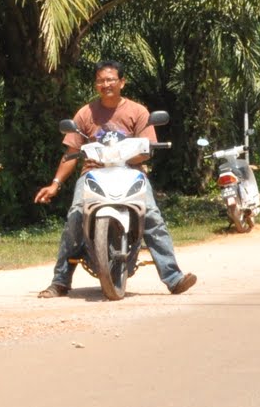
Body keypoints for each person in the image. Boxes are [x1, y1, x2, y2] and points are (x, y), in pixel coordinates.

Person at [32, 61, 198, 298]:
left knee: (151, 214)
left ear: (122, 82)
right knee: (76, 214)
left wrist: (130, 155)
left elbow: (147, 149)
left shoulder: (138, 112)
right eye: (101, 80)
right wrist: (55, 184)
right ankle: (60, 281)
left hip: (131, 172)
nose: (106, 84)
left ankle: (173, 277)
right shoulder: (85, 113)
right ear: (95, 84)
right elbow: (71, 152)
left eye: (110, 79)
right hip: (92, 173)